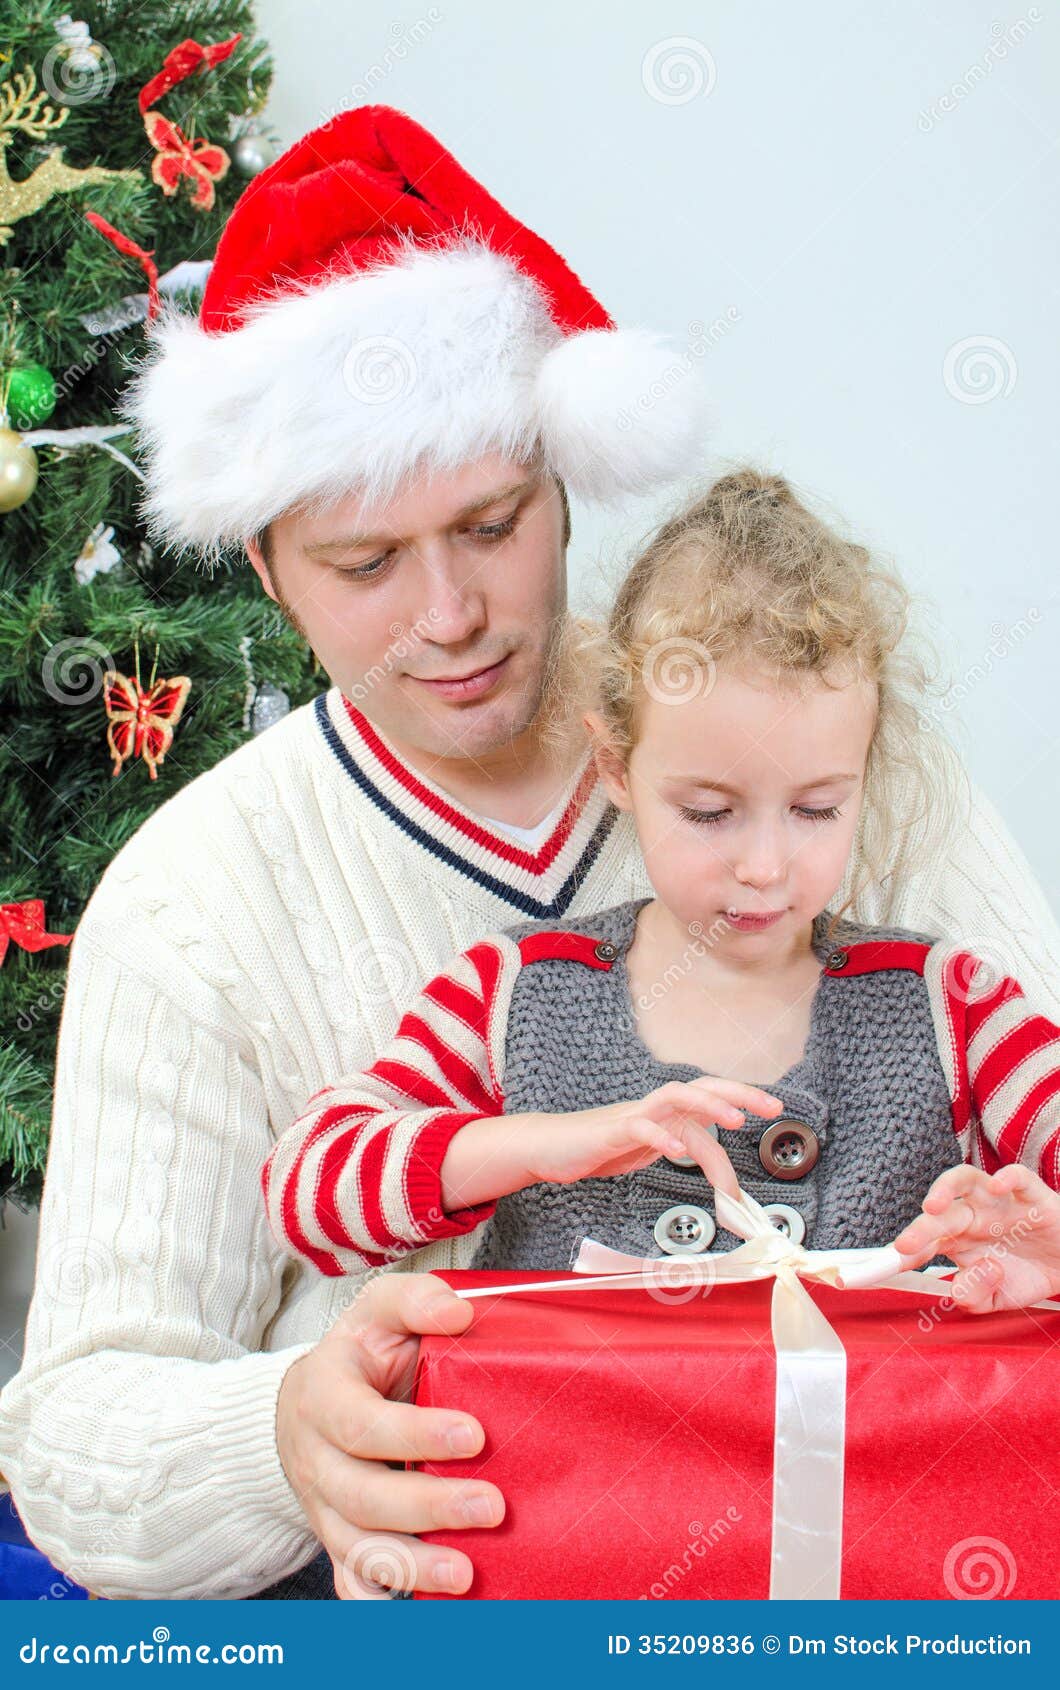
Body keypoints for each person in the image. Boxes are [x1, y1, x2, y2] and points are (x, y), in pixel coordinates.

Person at [0, 108, 1057, 1606]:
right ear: (263, 566)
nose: (452, 614)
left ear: (563, 478)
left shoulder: (841, 756)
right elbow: (75, 1439)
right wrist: (283, 1437)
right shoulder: (191, 900)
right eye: (365, 564)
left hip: (867, 1577)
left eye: (492, 524)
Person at [262, 467, 1060, 1294]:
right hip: (571, 1429)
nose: (764, 866)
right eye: (710, 813)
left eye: (816, 809)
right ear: (615, 765)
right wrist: (534, 1143)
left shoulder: (955, 1008)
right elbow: (308, 1191)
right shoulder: (512, 993)